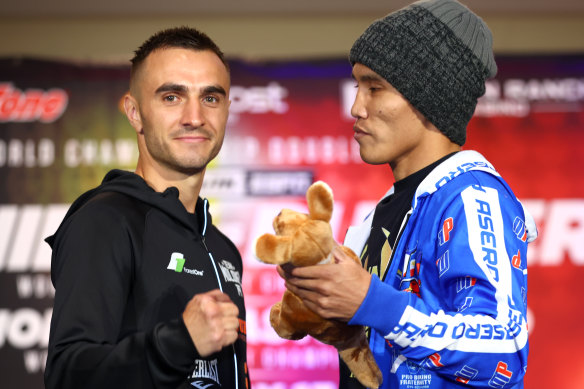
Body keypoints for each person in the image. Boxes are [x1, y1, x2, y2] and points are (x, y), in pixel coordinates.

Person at [279, 1, 537, 388]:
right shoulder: (384, 213)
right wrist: (328, 309)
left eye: (375, 88)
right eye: (357, 86)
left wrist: (371, 301)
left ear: (431, 97)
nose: (355, 107)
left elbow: (504, 349)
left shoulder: (470, 195)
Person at [45, 27, 250, 389]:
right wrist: (180, 342)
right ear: (135, 112)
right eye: (172, 97)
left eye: (211, 98)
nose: (195, 117)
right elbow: (67, 375)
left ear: (227, 110)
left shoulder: (221, 248)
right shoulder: (104, 221)